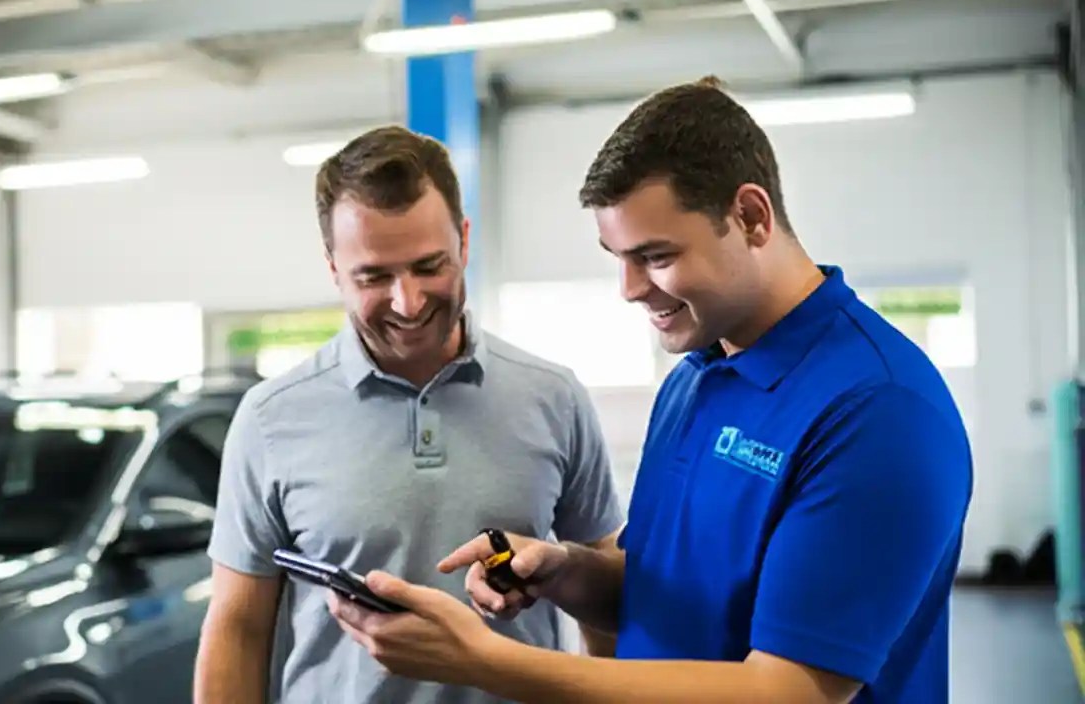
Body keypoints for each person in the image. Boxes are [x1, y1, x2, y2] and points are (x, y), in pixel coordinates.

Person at [328, 77, 974, 703]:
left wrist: (485, 660)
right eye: (618, 257)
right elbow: (663, 590)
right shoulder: (695, 376)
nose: (631, 288)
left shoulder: (879, 410)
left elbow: (790, 691)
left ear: (750, 216)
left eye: (656, 256)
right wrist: (565, 572)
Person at [194, 125, 625, 703]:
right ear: (333, 270)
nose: (408, 302)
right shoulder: (271, 418)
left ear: (464, 243)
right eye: (374, 277)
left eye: (429, 266)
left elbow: (606, 594)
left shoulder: (554, 396)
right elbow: (238, 628)